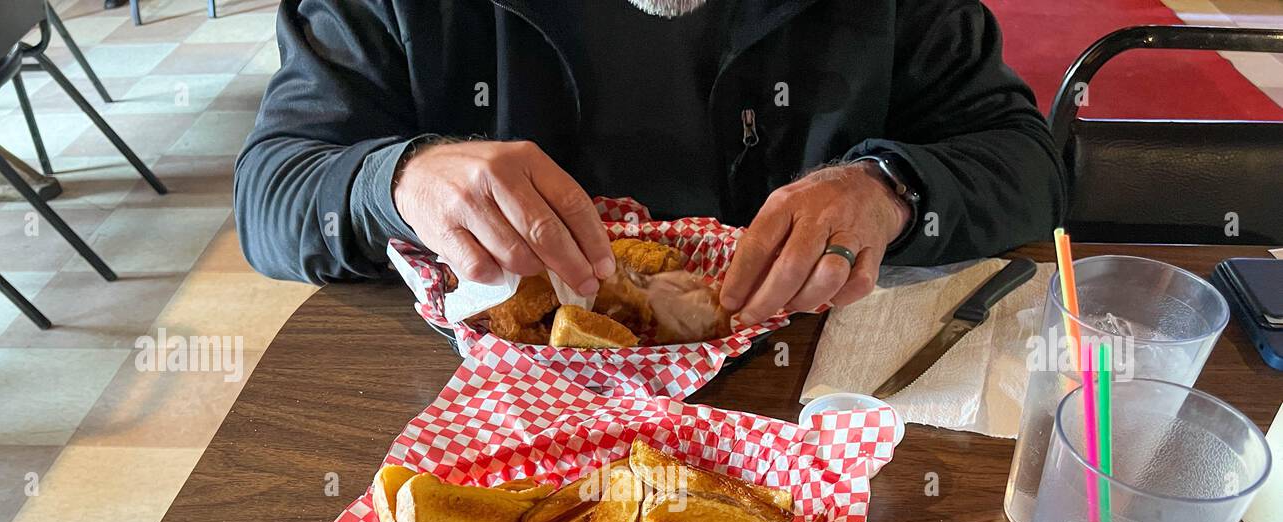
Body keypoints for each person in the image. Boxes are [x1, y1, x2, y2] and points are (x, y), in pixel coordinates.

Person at [236, 0, 1065, 325]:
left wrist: (890, 189)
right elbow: (271, 191)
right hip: (497, 424)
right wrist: (398, 178)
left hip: (799, 407)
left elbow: (1027, 163)